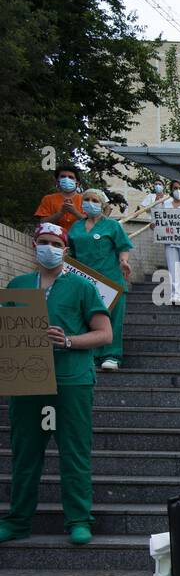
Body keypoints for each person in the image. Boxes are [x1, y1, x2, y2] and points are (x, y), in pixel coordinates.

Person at [0, 224, 113, 545]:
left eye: (55, 243)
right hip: (27, 377)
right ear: (33, 246)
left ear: (65, 250)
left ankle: (78, 519)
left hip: (71, 379)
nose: (48, 248)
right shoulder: (17, 285)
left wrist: (69, 340)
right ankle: (18, 519)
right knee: (24, 452)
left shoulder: (81, 287)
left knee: (74, 451)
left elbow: (104, 334)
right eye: (43, 242)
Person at [67, 188, 132, 370]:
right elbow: (71, 252)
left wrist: (124, 262)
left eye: (94, 200)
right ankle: (91, 355)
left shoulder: (112, 226)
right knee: (88, 318)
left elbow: (123, 246)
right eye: (86, 199)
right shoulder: (76, 227)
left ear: (102, 204)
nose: (90, 203)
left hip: (111, 280)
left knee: (112, 318)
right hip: (84, 281)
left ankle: (111, 355)